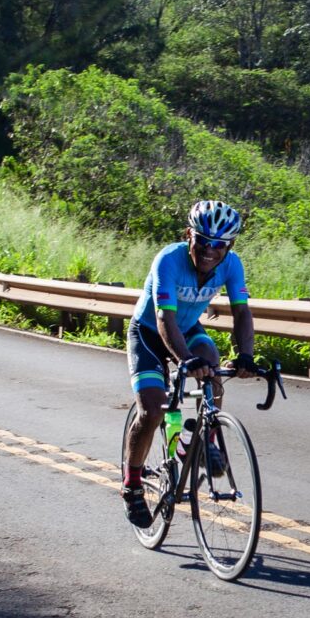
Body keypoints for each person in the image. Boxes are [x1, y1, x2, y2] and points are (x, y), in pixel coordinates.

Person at [122, 200, 258, 527]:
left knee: (211, 364)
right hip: (151, 333)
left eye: (220, 245)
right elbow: (163, 317)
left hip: (188, 329)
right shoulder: (169, 260)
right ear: (189, 235)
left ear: (230, 246)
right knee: (152, 411)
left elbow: (242, 312)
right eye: (204, 241)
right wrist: (185, 360)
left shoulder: (232, 264)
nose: (211, 250)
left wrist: (246, 356)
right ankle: (132, 484)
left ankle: (204, 441)